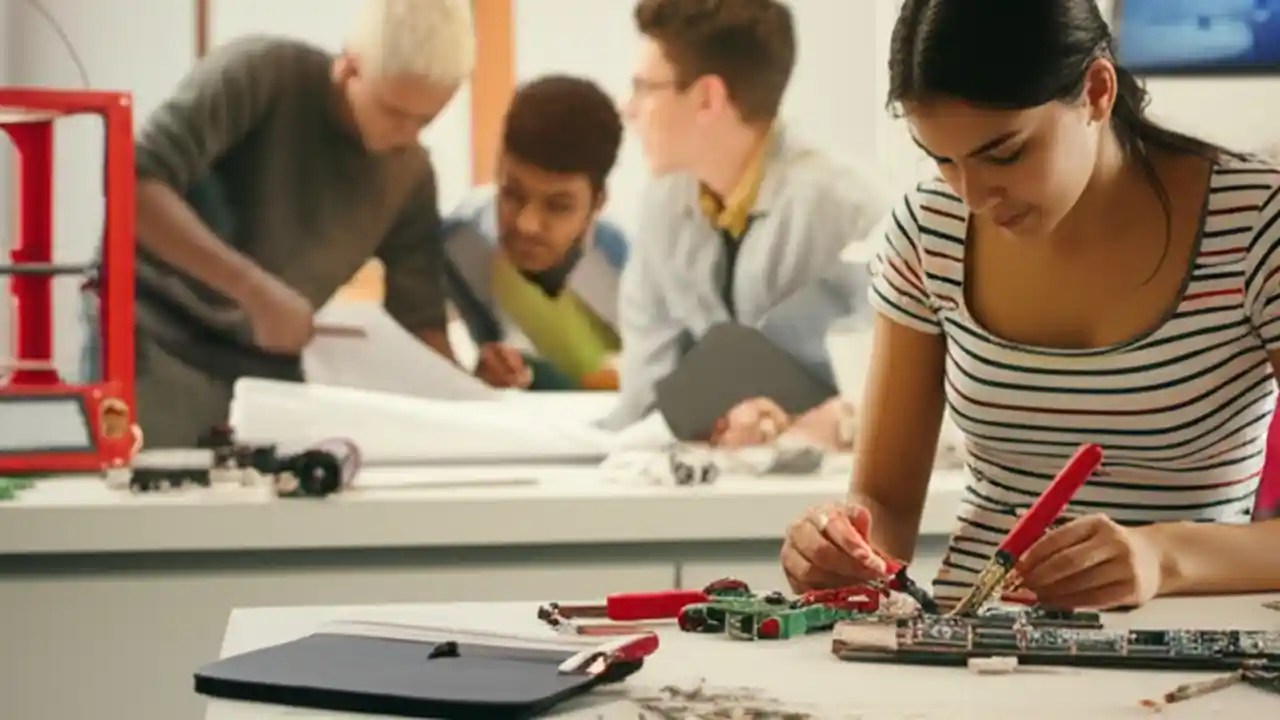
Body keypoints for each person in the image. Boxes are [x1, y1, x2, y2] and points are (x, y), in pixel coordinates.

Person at [780, 0, 1280, 611]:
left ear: (1096, 92)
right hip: (968, 641)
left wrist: (1161, 556)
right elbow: (884, 506)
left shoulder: (1256, 221)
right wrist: (842, 549)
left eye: (1005, 154)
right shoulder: (929, 230)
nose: (974, 195)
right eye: (943, 160)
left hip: (1171, 653)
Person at [82, 0, 473, 448]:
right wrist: (252, 289)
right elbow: (133, 184)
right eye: (394, 111)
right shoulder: (260, 73)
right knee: (142, 485)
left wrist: (473, 392)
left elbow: (420, 323)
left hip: (266, 376)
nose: (408, 134)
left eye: (426, 119)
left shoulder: (411, 175)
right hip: (153, 338)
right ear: (349, 68)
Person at [603, 0, 889, 430]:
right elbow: (644, 397)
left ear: (708, 99)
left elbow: (892, 383)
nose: (627, 107)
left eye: (644, 88)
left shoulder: (847, 209)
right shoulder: (663, 204)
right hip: (705, 459)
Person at [441, 75, 628, 391]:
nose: (527, 224)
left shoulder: (623, 267)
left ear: (597, 204)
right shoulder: (459, 245)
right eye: (512, 194)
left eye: (558, 207)